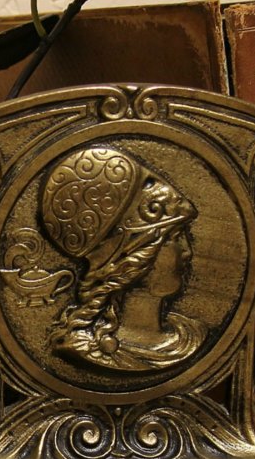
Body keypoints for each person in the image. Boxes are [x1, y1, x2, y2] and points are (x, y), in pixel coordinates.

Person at [40, 145, 206, 372]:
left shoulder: (191, 336)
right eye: (173, 238)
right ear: (128, 257)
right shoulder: (81, 349)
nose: (187, 251)